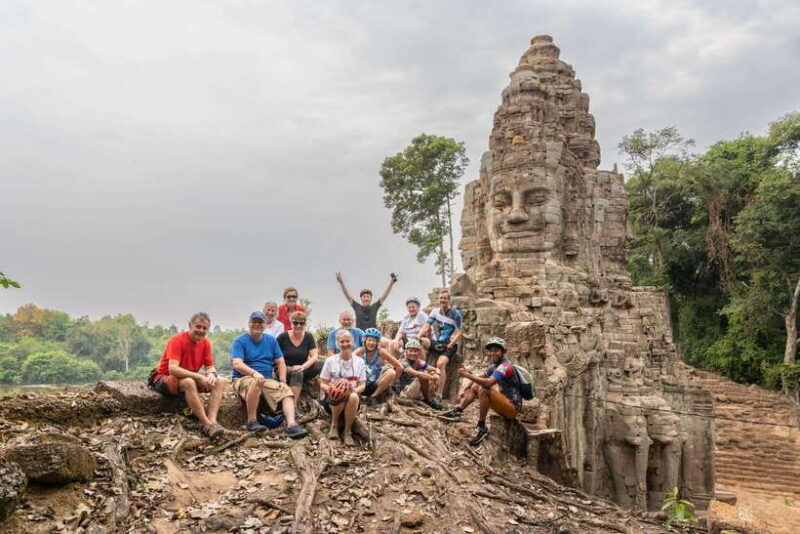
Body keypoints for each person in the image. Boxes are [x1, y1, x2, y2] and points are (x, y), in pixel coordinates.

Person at [150, 312, 228, 439]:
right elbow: (173, 369)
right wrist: (199, 377)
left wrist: (212, 373)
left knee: (220, 380)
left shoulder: (205, 343)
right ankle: (206, 424)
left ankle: (213, 421)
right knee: (189, 382)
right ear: (190, 325)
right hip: (164, 378)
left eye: (204, 328)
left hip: (187, 377)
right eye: (198, 327)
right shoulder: (177, 340)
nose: (201, 331)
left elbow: (209, 366)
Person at [230, 311, 307, 438]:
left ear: (265, 324)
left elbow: (281, 361)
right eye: (254, 322)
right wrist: (254, 373)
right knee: (256, 382)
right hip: (243, 378)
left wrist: (282, 380)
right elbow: (237, 364)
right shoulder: (240, 341)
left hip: (266, 379)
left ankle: (291, 425)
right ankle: (251, 421)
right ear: (249, 323)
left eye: (260, 322)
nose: (257, 325)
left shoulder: (270, 340)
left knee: (287, 390)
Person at [443, 337, 523, 446]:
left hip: (512, 408)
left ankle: (481, 426)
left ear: (503, 352)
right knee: (476, 385)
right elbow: (476, 378)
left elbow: (488, 383)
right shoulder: (493, 366)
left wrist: (467, 375)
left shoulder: (505, 366)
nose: (492, 353)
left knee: (484, 389)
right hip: (503, 403)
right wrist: (463, 389)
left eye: (496, 351)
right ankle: (458, 410)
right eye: (491, 351)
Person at [320, 330, 366, 446]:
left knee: (353, 396)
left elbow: (362, 385)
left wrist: (352, 390)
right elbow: (322, 383)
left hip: (352, 397)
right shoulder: (330, 361)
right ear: (337, 344)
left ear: (353, 342)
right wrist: (330, 389)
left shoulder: (360, 362)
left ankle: (347, 432)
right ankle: (334, 426)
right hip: (333, 398)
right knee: (338, 392)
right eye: (342, 341)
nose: (345, 344)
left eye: (347, 341)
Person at [418, 289, 462, 405]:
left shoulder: (455, 314)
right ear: (438, 299)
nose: (443, 300)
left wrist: (451, 344)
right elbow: (427, 326)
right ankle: (421, 368)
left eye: (445, 298)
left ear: (449, 300)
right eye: (441, 298)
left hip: (449, 345)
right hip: (437, 343)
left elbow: (459, 331)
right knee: (420, 342)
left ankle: (439, 395)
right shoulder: (435, 311)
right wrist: (418, 336)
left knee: (440, 364)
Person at [276, 311, 324, 402]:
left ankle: (323, 394)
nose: (298, 325)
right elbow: (274, 356)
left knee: (323, 363)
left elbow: (314, 356)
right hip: (284, 370)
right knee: (297, 373)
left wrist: (303, 367)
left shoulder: (308, 336)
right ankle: (293, 406)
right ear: (291, 322)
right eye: (295, 323)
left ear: (305, 324)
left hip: (302, 369)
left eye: (301, 323)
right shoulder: (283, 337)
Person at [353, 328, 403, 409]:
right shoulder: (360, 351)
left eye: (374, 340)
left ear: (377, 342)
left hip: (375, 385)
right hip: (360, 385)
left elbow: (399, 367)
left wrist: (390, 383)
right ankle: (357, 397)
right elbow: (347, 362)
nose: (371, 343)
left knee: (391, 372)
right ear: (365, 340)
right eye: (369, 340)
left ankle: (373, 397)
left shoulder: (381, 352)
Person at [393, 339, 441, 408]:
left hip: (417, 391)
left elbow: (433, 369)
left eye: (415, 351)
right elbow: (415, 373)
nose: (413, 353)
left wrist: (437, 374)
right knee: (422, 375)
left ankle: (430, 397)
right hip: (406, 392)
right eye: (411, 351)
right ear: (406, 352)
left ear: (418, 352)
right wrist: (432, 377)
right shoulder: (403, 362)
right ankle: (427, 400)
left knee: (432, 373)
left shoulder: (418, 362)